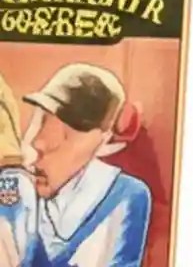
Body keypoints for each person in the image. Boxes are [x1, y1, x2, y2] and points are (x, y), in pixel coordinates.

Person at [0, 64, 152, 267]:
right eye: (44, 120)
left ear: (103, 141)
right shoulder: (17, 189)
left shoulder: (125, 195)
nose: (38, 143)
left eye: (69, 133)